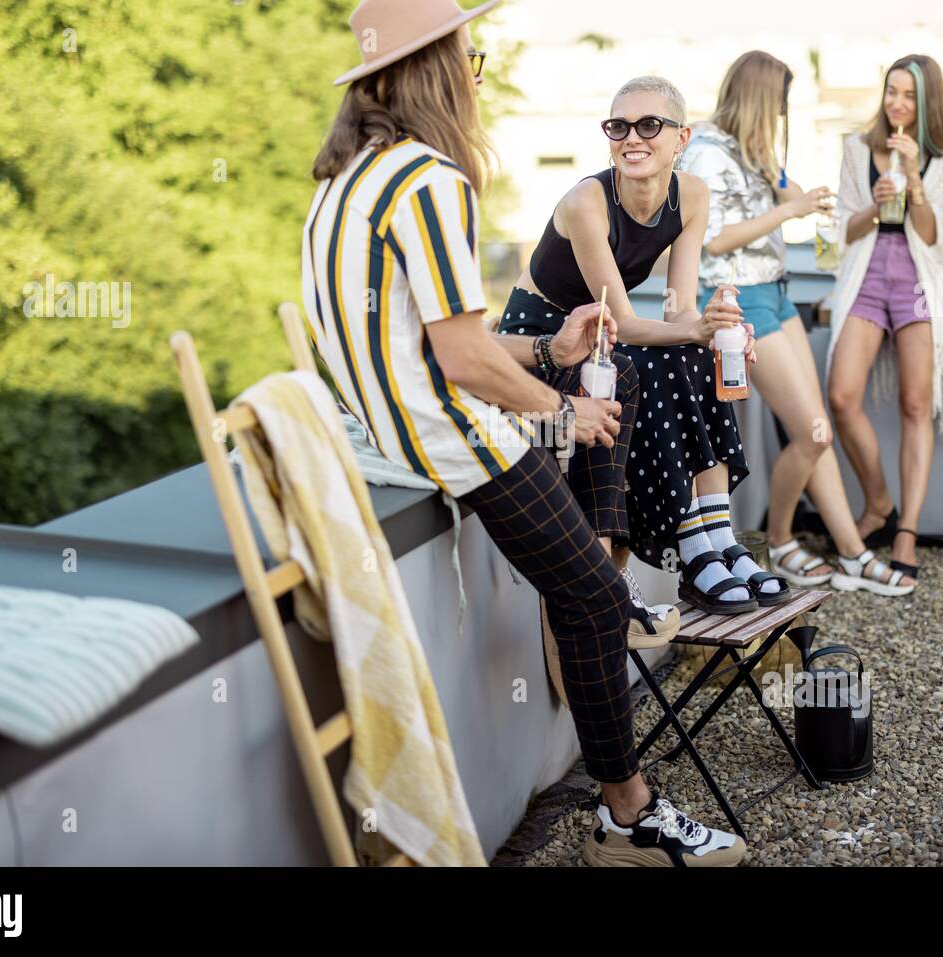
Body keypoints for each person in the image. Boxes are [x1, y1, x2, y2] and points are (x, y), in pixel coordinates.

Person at [303, 0, 745, 866]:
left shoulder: (343, 183)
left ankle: (658, 606)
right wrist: (558, 407)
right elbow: (462, 361)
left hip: (380, 436)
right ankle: (628, 817)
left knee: (593, 571)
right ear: (434, 73)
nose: (476, 82)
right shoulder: (424, 179)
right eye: (470, 64)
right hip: (446, 439)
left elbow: (426, 341)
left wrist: (549, 347)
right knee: (590, 595)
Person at [499, 75, 788, 616]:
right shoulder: (588, 200)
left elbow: (677, 310)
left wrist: (717, 327)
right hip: (541, 340)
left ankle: (717, 536)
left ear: (682, 139)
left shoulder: (693, 195)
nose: (633, 138)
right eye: (619, 126)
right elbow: (627, 324)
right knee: (660, 361)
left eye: (650, 125)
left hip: (601, 337)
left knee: (699, 354)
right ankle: (692, 545)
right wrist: (696, 329)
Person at [681, 51, 917, 597]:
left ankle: (853, 554)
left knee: (818, 431)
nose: (783, 114)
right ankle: (782, 540)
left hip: (777, 293)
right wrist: (789, 211)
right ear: (764, 98)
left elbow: (796, 197)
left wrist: (810, 190)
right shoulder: (706, 151)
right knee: (811, 433)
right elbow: (713, 240)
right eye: (781, 103)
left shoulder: (752, 149)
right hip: (739, 300)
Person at [826, 54, 943, 583]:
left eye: (908, 95)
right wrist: (874, 203)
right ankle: (878, 500)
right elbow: (845, 229)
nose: (897, 104)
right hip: (867, 274)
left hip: (916, 279)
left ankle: (905, 528)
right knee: (841, 396)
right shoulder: (856, 148)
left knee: (915, 402)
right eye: (891, 92)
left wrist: (913, 177)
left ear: (926, 102)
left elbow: (934, 239)